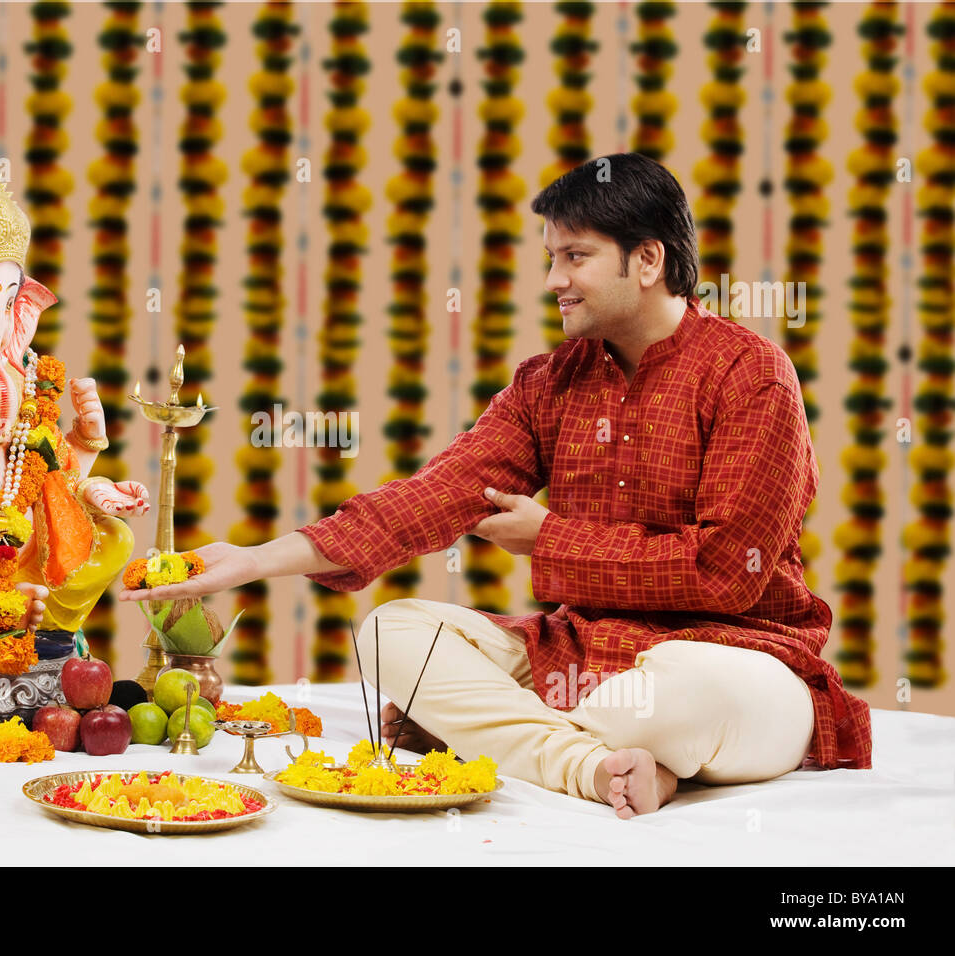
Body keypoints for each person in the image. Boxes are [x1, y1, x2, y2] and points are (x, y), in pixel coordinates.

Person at [120, 152, 872, 819]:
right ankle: (589, 767)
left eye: (575, 257)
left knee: (672, 696)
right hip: (583, 653)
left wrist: (550, 541)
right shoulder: (549, 383)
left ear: (646, 260)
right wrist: (257, 558)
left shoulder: (751, 373)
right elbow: (434, 495)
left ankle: (512, 731)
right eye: (552, 258)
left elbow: (725, 570)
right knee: (393, 633)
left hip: (738, 660)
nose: (554, 282)